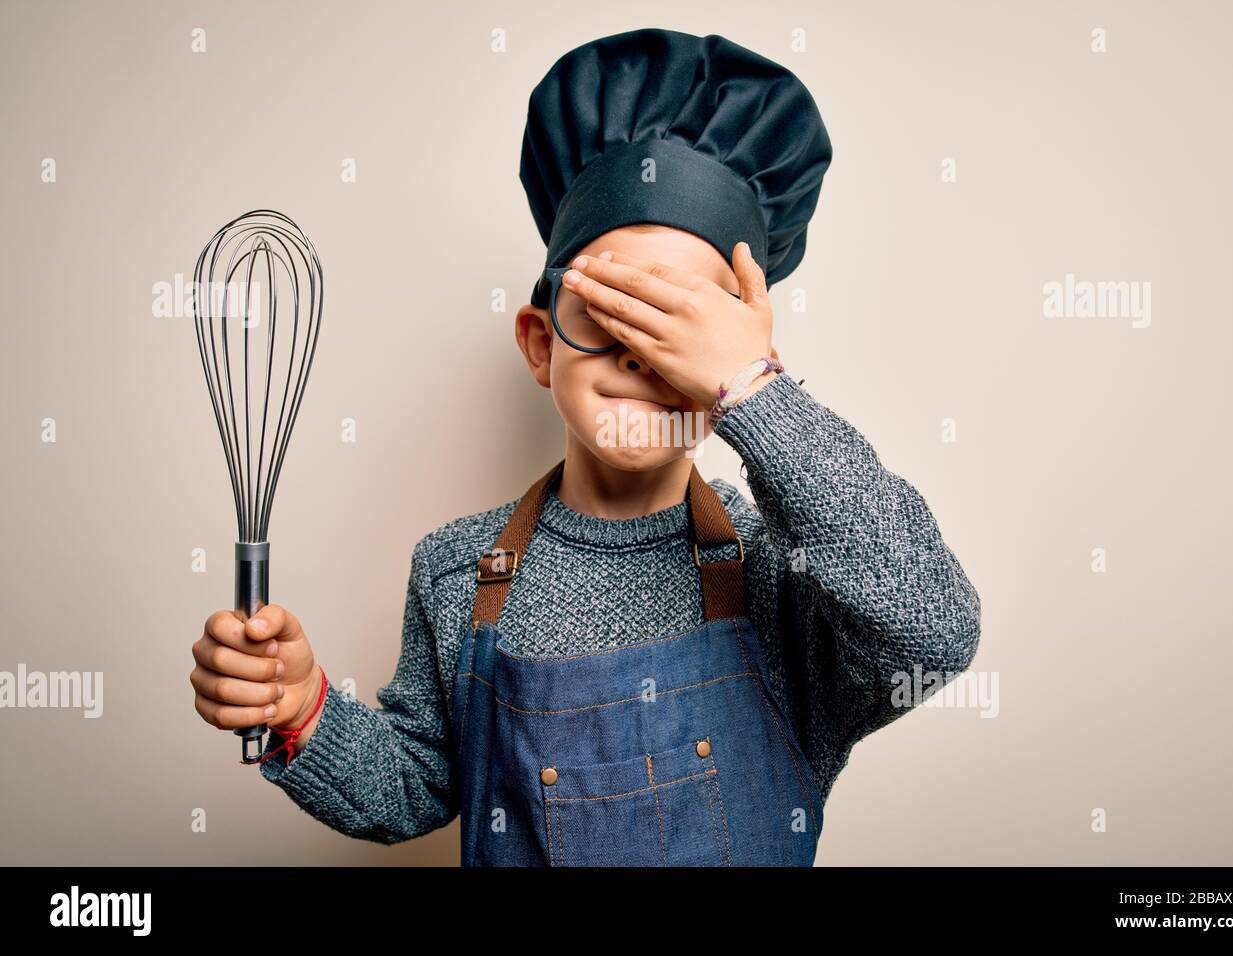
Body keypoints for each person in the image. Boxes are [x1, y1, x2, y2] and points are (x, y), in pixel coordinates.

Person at [189, 27, 981, 866]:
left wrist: (751, 389)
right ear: (540, 343)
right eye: (607, 314)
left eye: (682, 326)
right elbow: (417, 785)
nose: (640, 354)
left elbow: (931, 630)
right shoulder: (458, 572)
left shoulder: (790, 578)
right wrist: (301, 707)